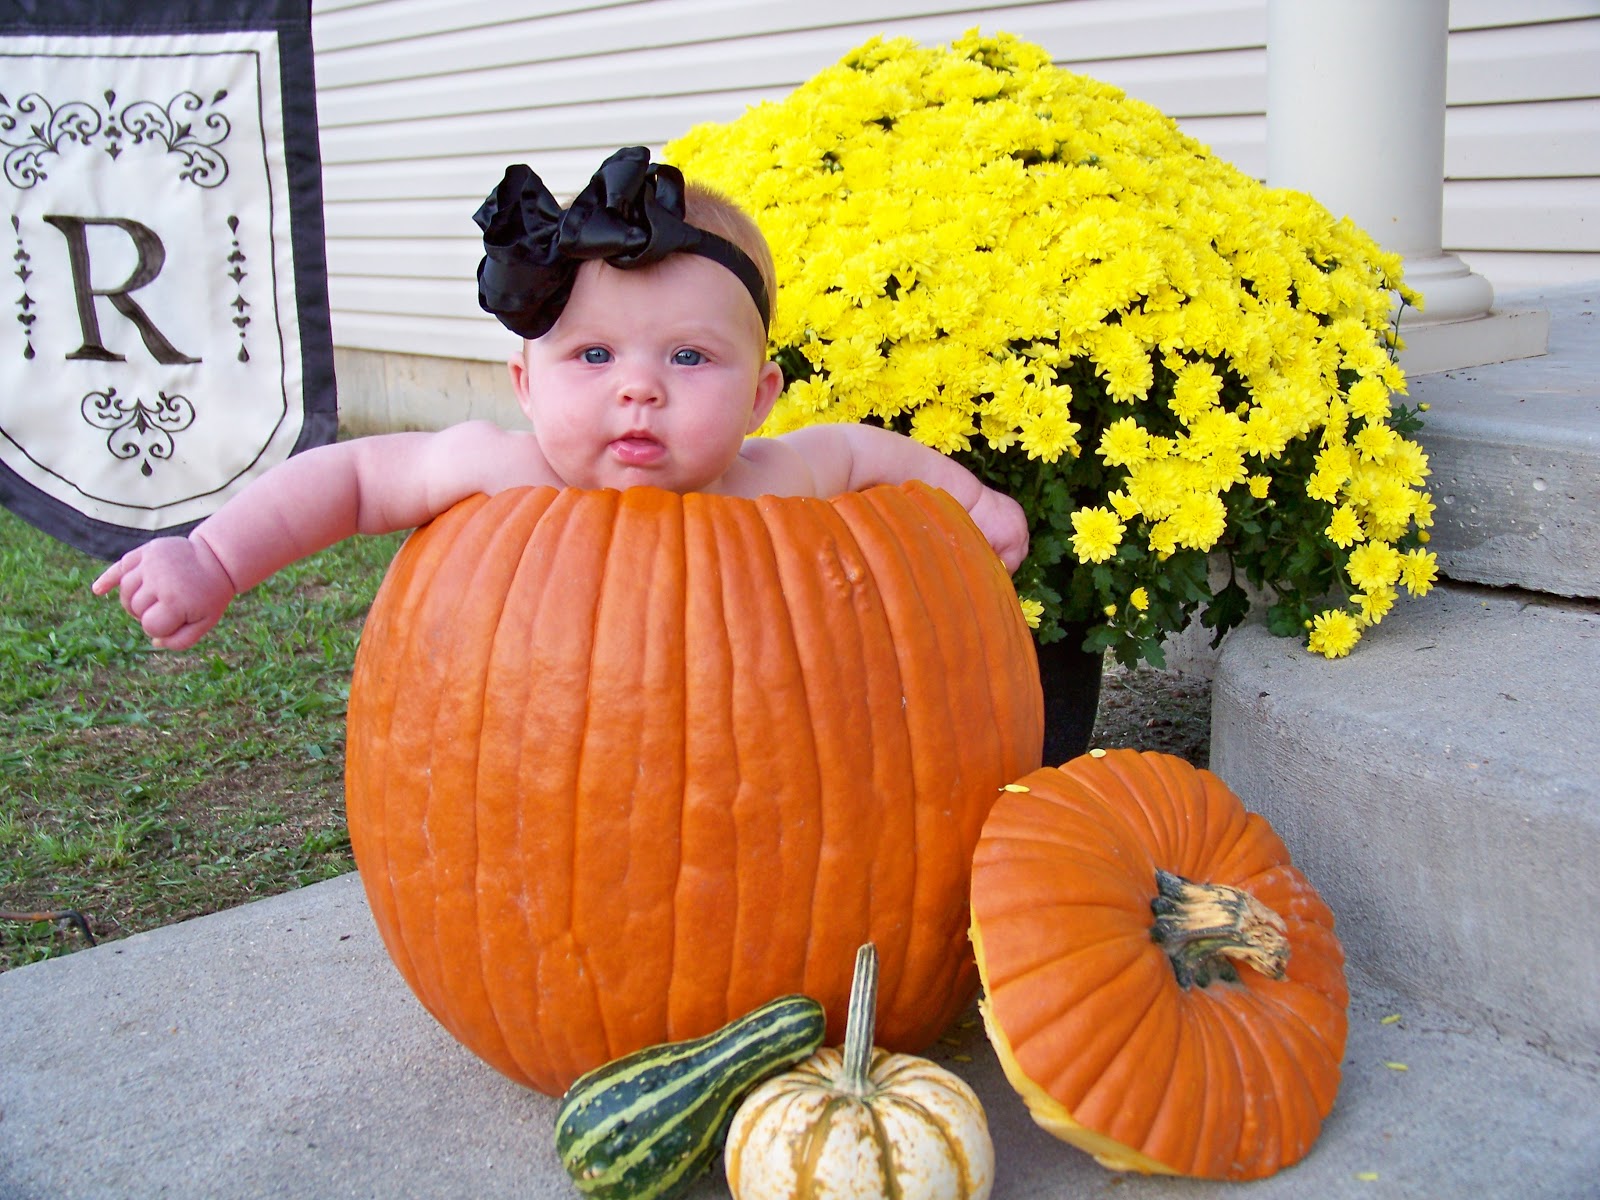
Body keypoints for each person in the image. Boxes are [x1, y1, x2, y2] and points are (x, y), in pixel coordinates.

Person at [94, 147, 1028, 651]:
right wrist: (214, 558)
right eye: (591, 353)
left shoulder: (779, 473)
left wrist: (974, 501)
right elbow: (349, 480)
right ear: (524, 385)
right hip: (553, 772)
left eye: (691, 358)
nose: (638, 387)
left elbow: (872, 451)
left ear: (759, 397)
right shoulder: (503, 471)